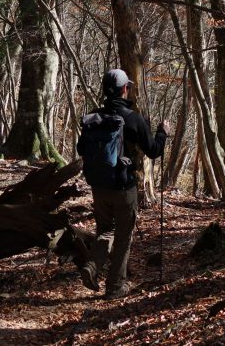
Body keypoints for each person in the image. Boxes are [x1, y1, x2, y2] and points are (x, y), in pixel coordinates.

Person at [76, 68, 166, 299]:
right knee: (124, 237)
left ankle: (92, 266)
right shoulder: (133, 118)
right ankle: (115, 288)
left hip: (98, 185)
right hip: (124, 187)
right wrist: (162, 132)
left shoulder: (94, 117)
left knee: (106, 230)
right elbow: (154, 151)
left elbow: (80, 149)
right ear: (125, 89)